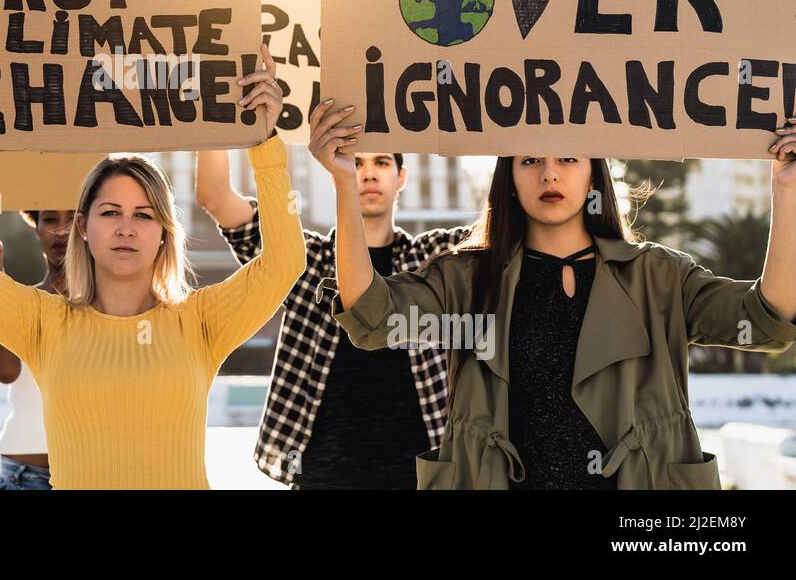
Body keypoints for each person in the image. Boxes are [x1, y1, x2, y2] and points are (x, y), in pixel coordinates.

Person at [0, 26, 308, 489]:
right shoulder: (43, 322)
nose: (127, 227)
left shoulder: (201, 321)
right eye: (111, 212)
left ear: (164, 235)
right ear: (84, 229)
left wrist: (266, 140)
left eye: (144, 215)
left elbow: (286, 261)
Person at [329, 112, 796, 489]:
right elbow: (373, 316)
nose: (549, 172)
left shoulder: (658, 275)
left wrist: (786, 188)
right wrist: (345, 185)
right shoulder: (466, 278)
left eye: (569, 158)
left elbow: (765, 321)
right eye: (530, 160)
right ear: (508, 177)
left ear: (595, 173)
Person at [196, 100, 471, 488]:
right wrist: (220, 103)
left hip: (421, 473)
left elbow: (501, 234)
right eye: (356, 163)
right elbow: (215, 195)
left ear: (402, 177)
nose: (368, 174)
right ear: (334, 172)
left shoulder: (431, 259)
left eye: (381, 163)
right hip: (321, 473)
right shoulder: (304, 258)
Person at [0, 203, 70, 490]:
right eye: (50, 218)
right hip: (22, 475)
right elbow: (5, 371)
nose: (61, 230)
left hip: (92, 474)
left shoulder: (115, 306)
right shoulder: (21, 303)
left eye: (73, 218)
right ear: (36, 226)